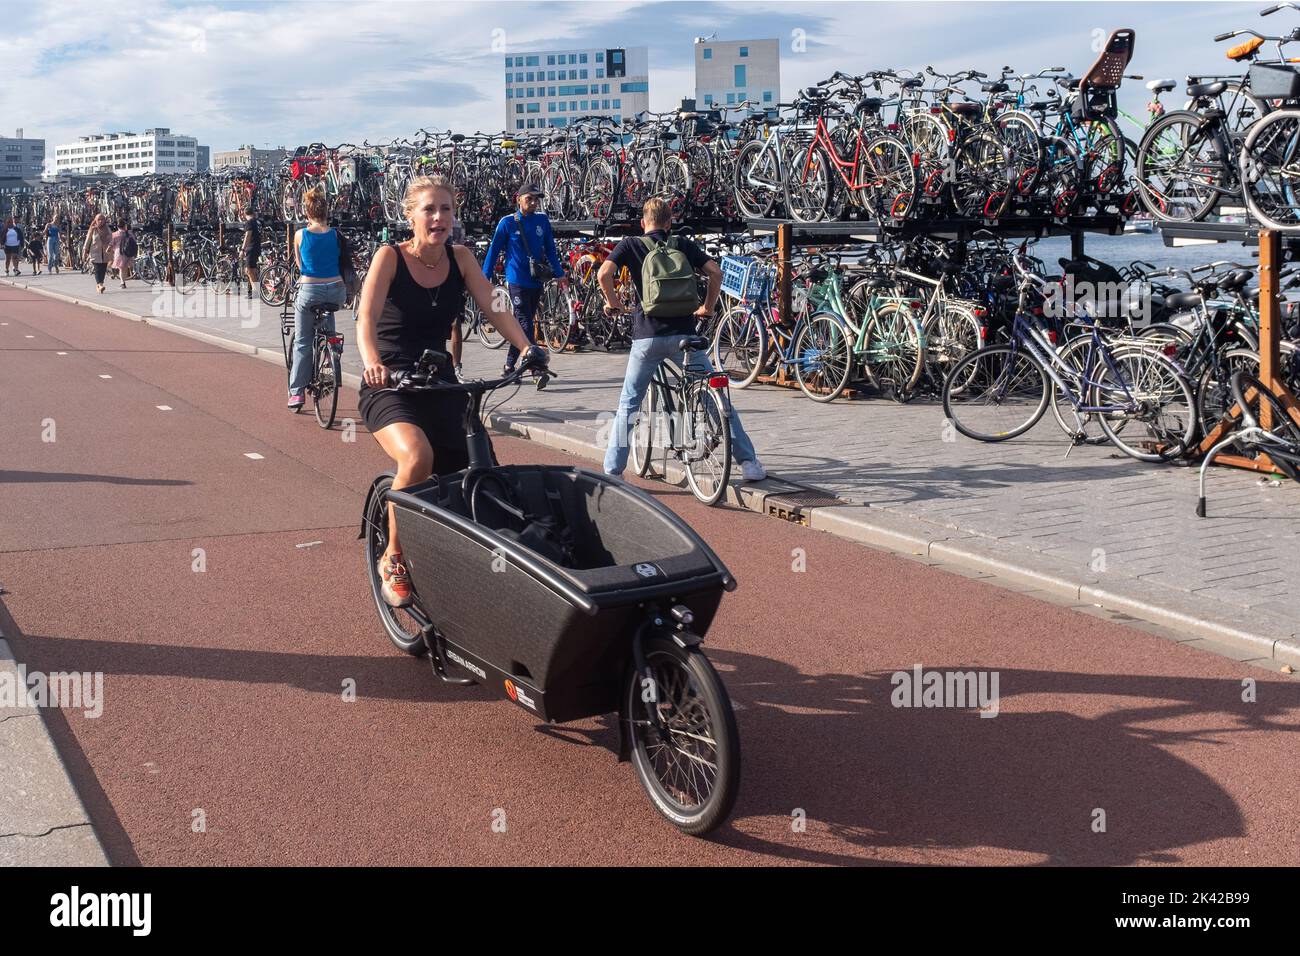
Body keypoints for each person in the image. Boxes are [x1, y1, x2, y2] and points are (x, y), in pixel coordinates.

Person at [356, 174, 542, 607]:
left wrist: (528, 347)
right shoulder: (390, 258)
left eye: (446, 209)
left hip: (438, 380)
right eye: (429, 210)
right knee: (418, 456)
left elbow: (494, 305)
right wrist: (373, 364)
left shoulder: (461, 259)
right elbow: (365, 317)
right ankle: (395, 556)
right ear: (410, 216)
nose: (439, 217)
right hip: (392, 383)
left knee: (482, 473)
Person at [598, 197, 766, 482]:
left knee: (629, 403)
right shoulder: (682, 244)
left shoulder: (630, 245)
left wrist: (612, 302)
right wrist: (708, 307)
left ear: (643, 223)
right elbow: (715, 272)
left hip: (647, 337)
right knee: (716, 399)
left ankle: (613, 471)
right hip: (685, 336)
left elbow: (604, 273)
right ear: (669, 222)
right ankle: (749, 463)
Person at [481, 183, 566, 375]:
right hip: (517, 280)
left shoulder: (542, 221)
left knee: (523, 326)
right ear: (518, 199)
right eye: (529, 198)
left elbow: (550, 249)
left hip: (536, 280)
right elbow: (493, 251)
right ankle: (536, 368)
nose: (534, 202)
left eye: (537, 199)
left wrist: (560, 273)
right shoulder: (508, 223)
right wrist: (484, 278)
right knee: (526, 324)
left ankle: (510, 366)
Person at [288, 185, 347, 410]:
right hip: (337, 291)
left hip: (310, 290)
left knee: (303, 342)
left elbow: (300, 265)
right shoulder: (336, 235)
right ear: (326, 212)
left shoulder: (300, 235)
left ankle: (296, 393)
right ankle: (330, 348)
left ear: (307, 212)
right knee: (328, 317)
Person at [82, 215, 112, 293]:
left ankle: (99, 285)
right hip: (95, 252)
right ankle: (100, 285)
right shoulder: (93, 230)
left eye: (102, 219)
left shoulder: (107, 229)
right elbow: (88, 240)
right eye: (99, 219)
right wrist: (85, 251)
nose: (100, 221)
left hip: (105, 253)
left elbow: (111, 239)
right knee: (97, 269)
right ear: (95, 220)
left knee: (103, 269)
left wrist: (110, 245)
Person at [241, 210, 260, 298]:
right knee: (250, 270)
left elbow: (248, 235)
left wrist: (242, 249)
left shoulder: (249, 223)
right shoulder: (257, 222)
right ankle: (253, 290)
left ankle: (256, 292)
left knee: (249, 270)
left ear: (245, 214)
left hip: (251, 248)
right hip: (257, 247)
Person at [115, 222, 137, 288]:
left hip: (120, 253)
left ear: (117, 227)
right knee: (126, 267)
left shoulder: (116, 234)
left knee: (121, 269)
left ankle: (122, 283)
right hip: (129, 253)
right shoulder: (130, 233)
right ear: (125, 226)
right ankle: (129, 276)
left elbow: (112, 243)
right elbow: (134, 241)